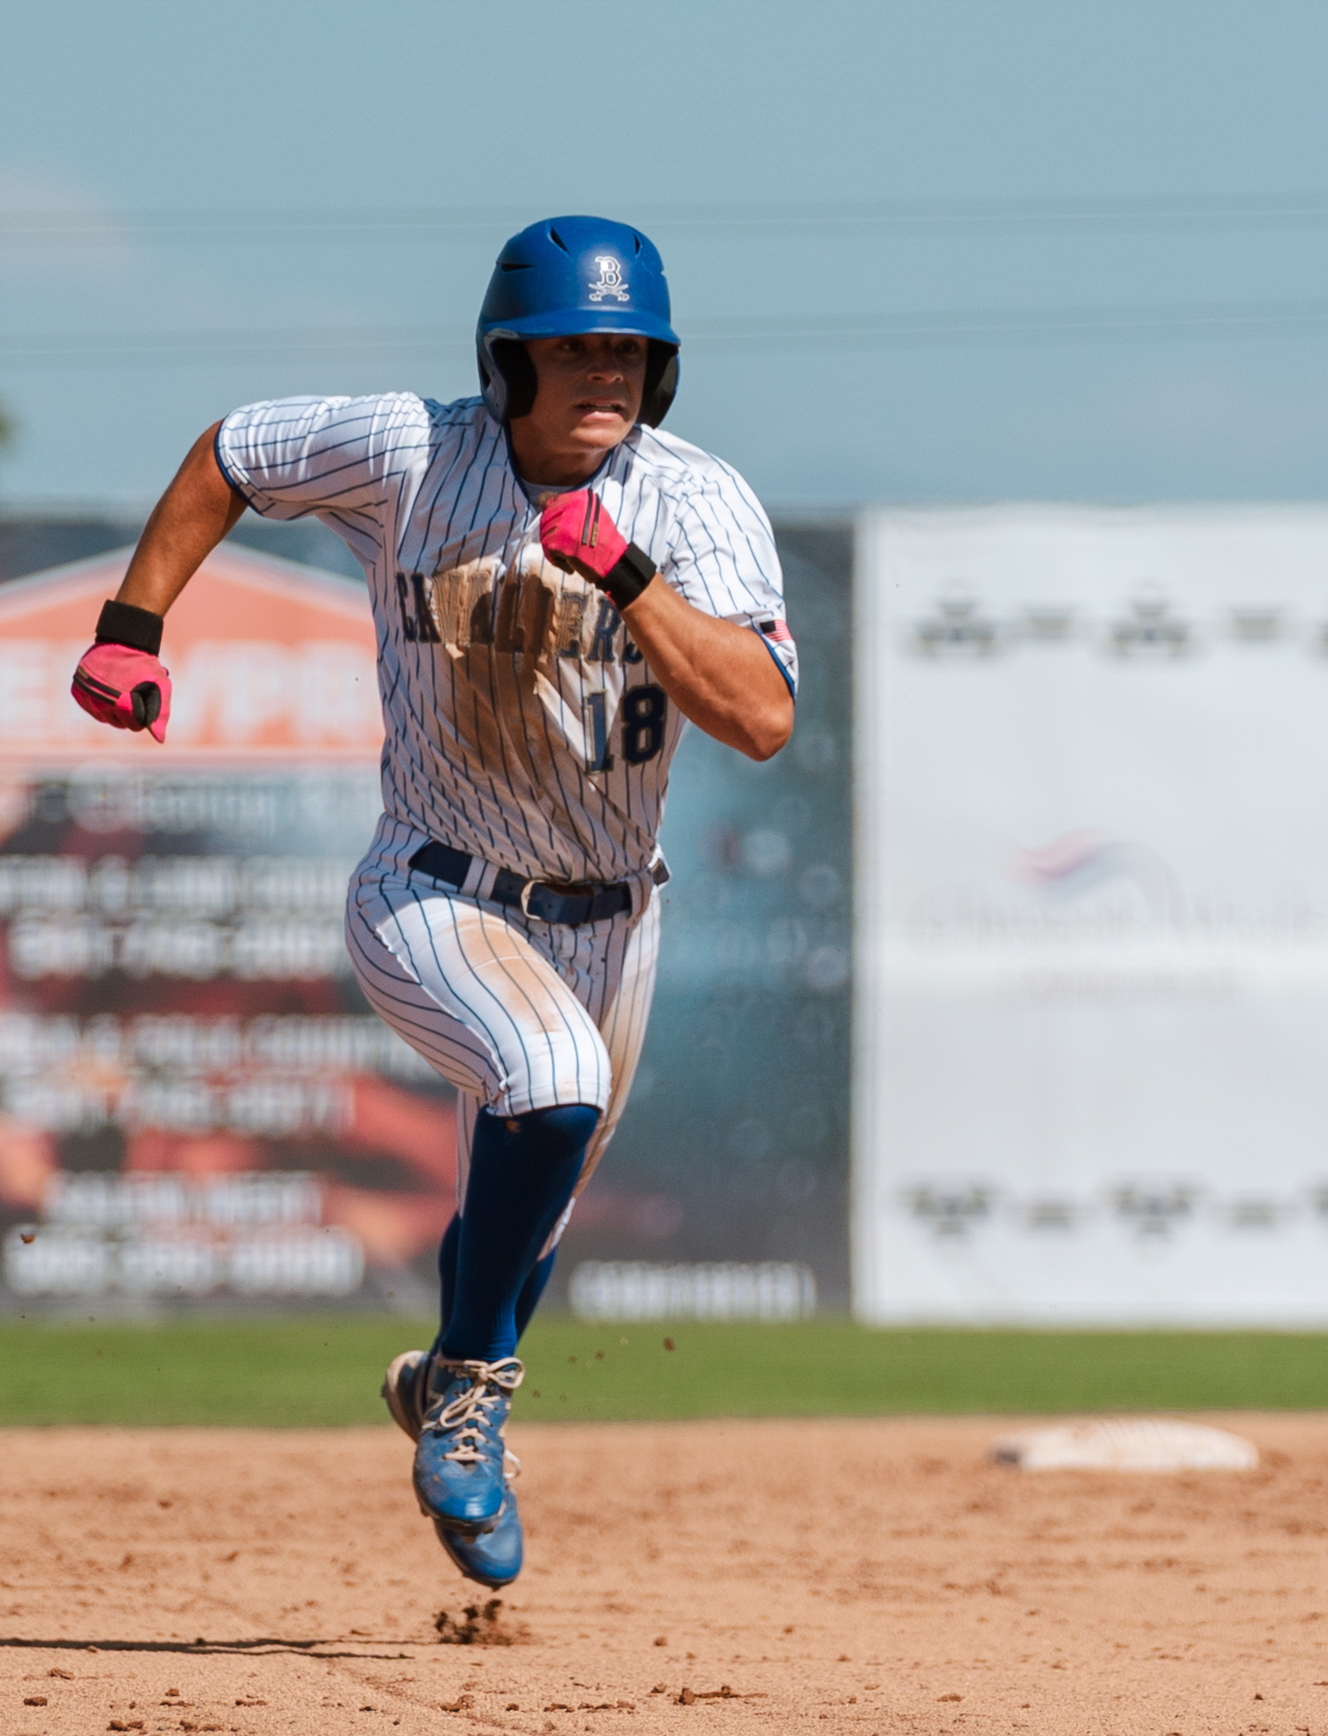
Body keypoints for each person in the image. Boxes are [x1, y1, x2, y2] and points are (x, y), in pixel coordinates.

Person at [71, 215, 798, 1589]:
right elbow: (234, 451)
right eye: (574, 346)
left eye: (632, 349)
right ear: (505, 358)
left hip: (615, 918)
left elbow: (760, 717)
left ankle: (448, 1372)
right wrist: (132, 625)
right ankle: (469, 1403)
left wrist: (628, 578)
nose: (607, 372)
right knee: (551, 1080)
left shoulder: (695, 504)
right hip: (431, 885)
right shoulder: (412, 449)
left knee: (525, 1215)